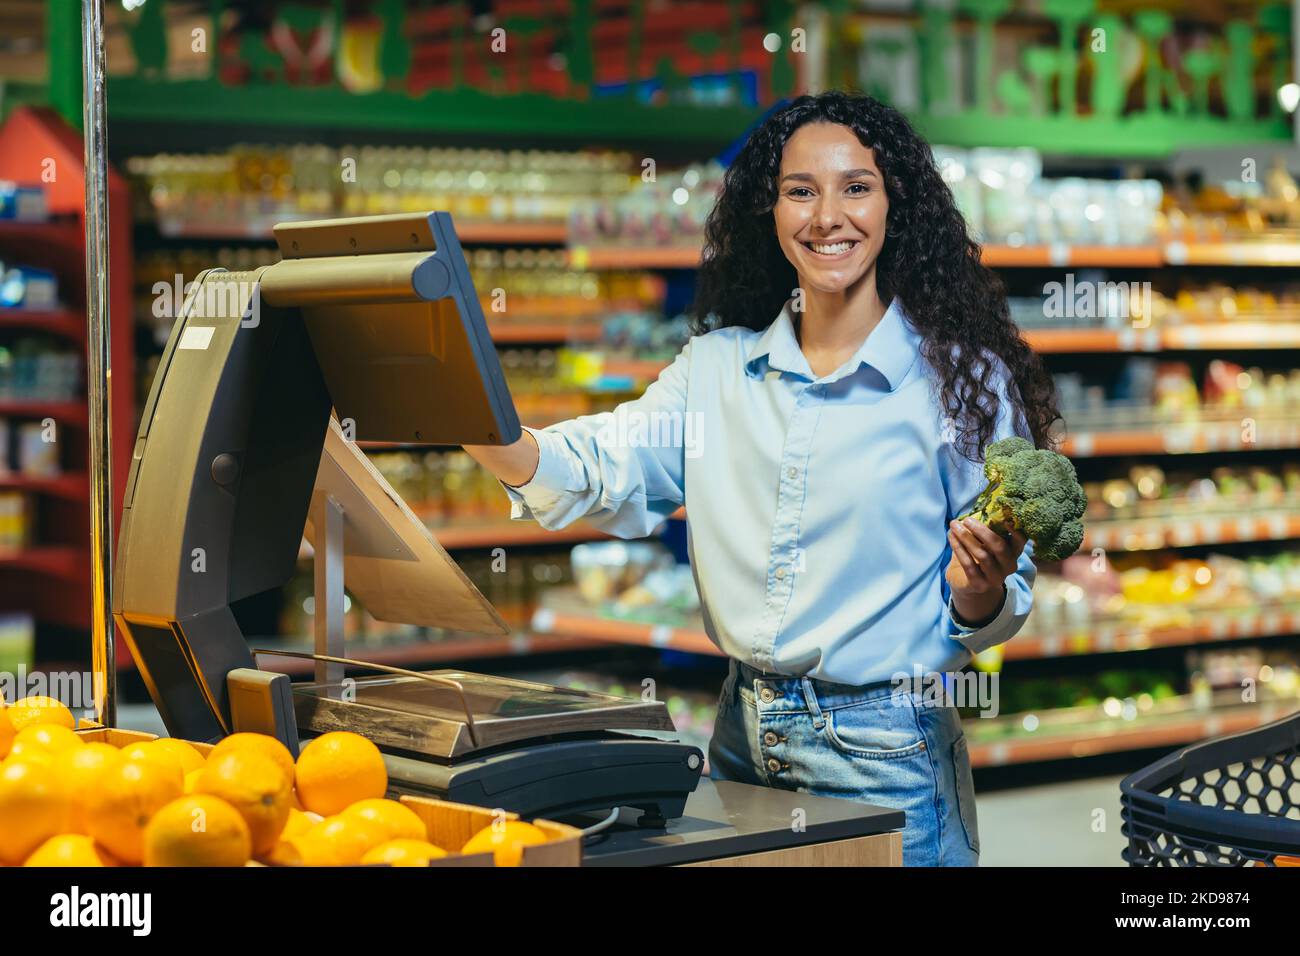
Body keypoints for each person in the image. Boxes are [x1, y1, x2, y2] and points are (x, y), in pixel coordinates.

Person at [464, 90, 1062, 866]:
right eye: (799, 191)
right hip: (739, 733)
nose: (827, 216)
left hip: (887, 747)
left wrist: (977, 591)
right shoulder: (715, 371)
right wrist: (472, 420)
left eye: (856, 187)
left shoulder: (961, 383)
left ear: (894, 204)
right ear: (769, 212)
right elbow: (597, 467)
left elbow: (1002, 590)